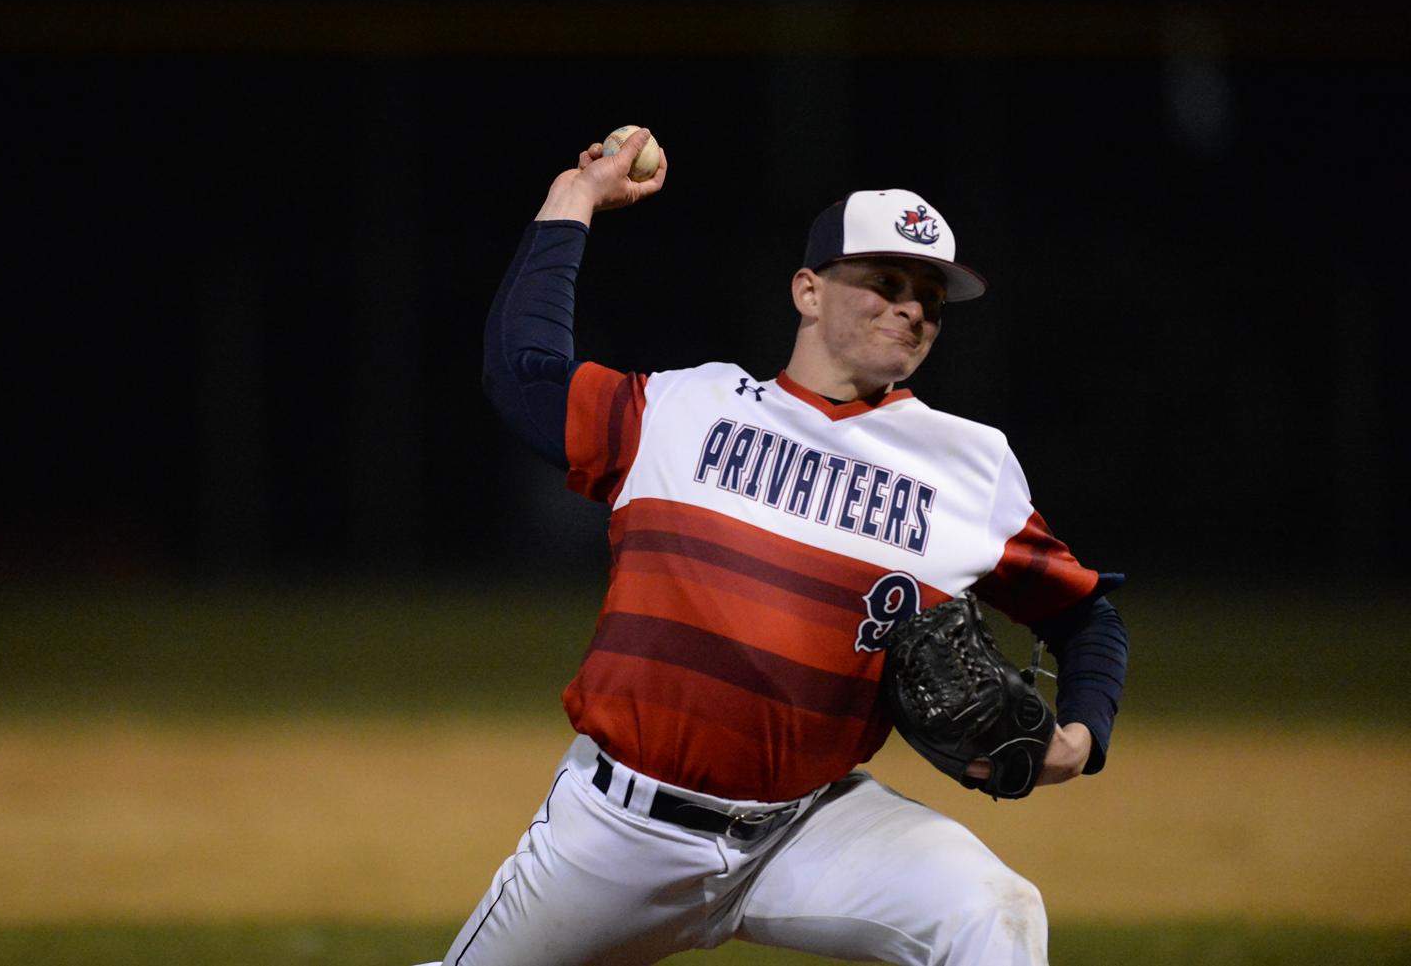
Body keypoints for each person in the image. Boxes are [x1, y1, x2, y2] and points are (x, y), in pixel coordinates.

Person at [445, 129, 1128, 966]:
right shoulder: (682, 410)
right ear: (808, 290)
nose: (912, 307)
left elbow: (1085, 610)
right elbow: (522, 372)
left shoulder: (968, 465)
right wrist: (575, 197)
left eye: (931, 298)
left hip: (811, 826)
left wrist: (1080, 739)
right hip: (618, 836)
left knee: (994, 910)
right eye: (885, 281)